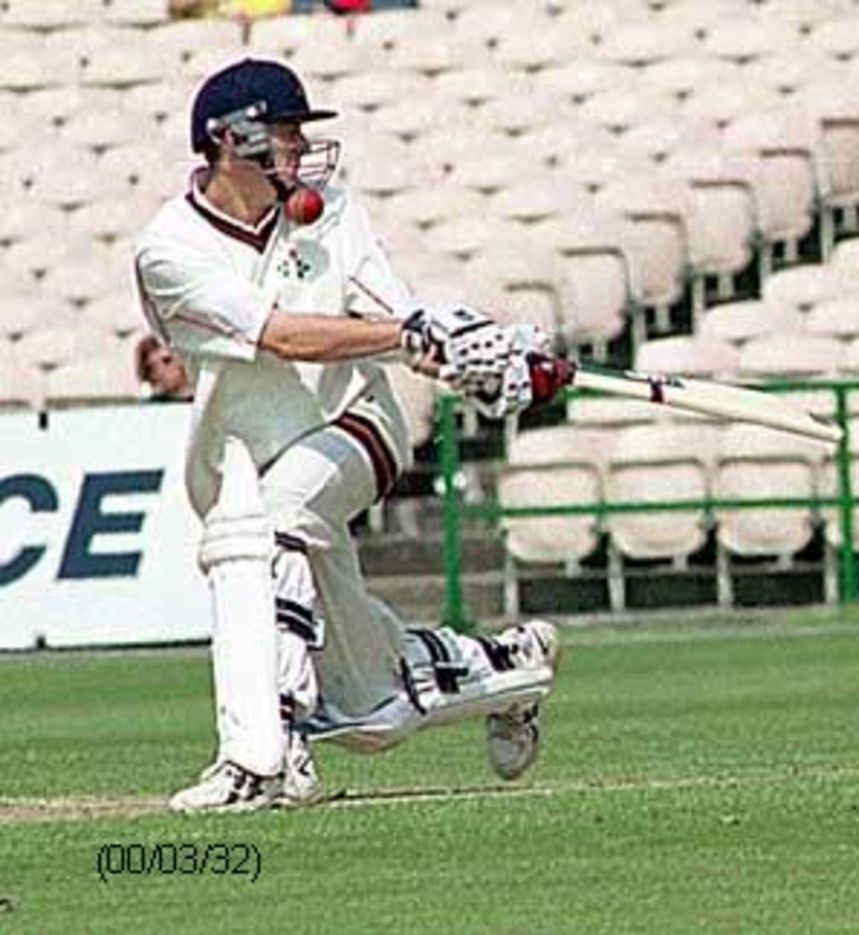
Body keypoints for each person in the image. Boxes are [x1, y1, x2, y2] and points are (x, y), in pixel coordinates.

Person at [134, 58, 572, 814]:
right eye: (285, 133)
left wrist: (473, 355)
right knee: (369, 707)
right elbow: (281, 334)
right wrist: (407, 335)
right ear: (228, 141)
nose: (301, 150)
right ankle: (513, 665)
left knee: (274, 526)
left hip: (353, 426)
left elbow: (392, 311)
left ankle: (269, 754)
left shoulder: (330, 209)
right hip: (244, 453)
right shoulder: (170, 250)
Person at [133, 333, 194, 401]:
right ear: (153, 376)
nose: (178, 363)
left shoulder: (200, 395)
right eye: (167, 361)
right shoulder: (154, 408)